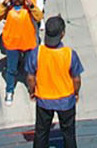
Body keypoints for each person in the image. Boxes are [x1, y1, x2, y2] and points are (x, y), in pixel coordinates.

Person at [25, 14, 82, 148]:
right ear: (62, 34)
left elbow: (30, 77)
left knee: (41, 132)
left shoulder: (37, 52)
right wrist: (76, 92)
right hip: (66, 100)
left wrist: (32, 91)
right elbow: (76, 79)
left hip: (44, 99)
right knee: (68, 133)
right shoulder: (69, 54)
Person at [0, 0, 41, 105]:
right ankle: (9, 90)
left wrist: (30, 4)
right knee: (11, 69)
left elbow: (39, 16)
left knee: (31, 69)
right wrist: (4, 3)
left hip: (28, 42)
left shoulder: (29, 6)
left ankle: (33, 90)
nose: (18, 0)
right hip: (12, 44)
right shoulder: (8, 7)